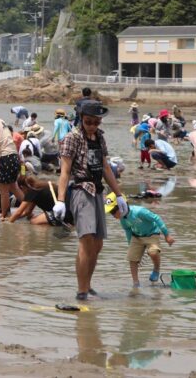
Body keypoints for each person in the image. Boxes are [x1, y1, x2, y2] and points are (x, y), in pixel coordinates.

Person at [54, 101, 127, 301]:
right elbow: (65, 171)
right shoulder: (72, 138)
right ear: (81, 119)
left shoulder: (100, 137)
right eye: (88, 122)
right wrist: (60, 200)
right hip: (80, 190)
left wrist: (119, 195)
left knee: (97, 244)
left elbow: (105, 168)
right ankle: (82, 290)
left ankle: (87, 283)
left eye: (96, 122)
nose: (93, 126)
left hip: (98, 192)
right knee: (86, 241)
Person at [108, 195, 174, 286]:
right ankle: (136, 283)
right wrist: (130, 245)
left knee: (153, 252)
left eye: (113, 212)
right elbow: (128, 230)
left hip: (152, 234)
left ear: (122, 206)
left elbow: (156, 218)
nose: (113, 215)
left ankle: (156, 269)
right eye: (111, 213)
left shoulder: (139, 212)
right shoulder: (122, 219)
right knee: (132, 259)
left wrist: (167, 235)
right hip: (136, 237)